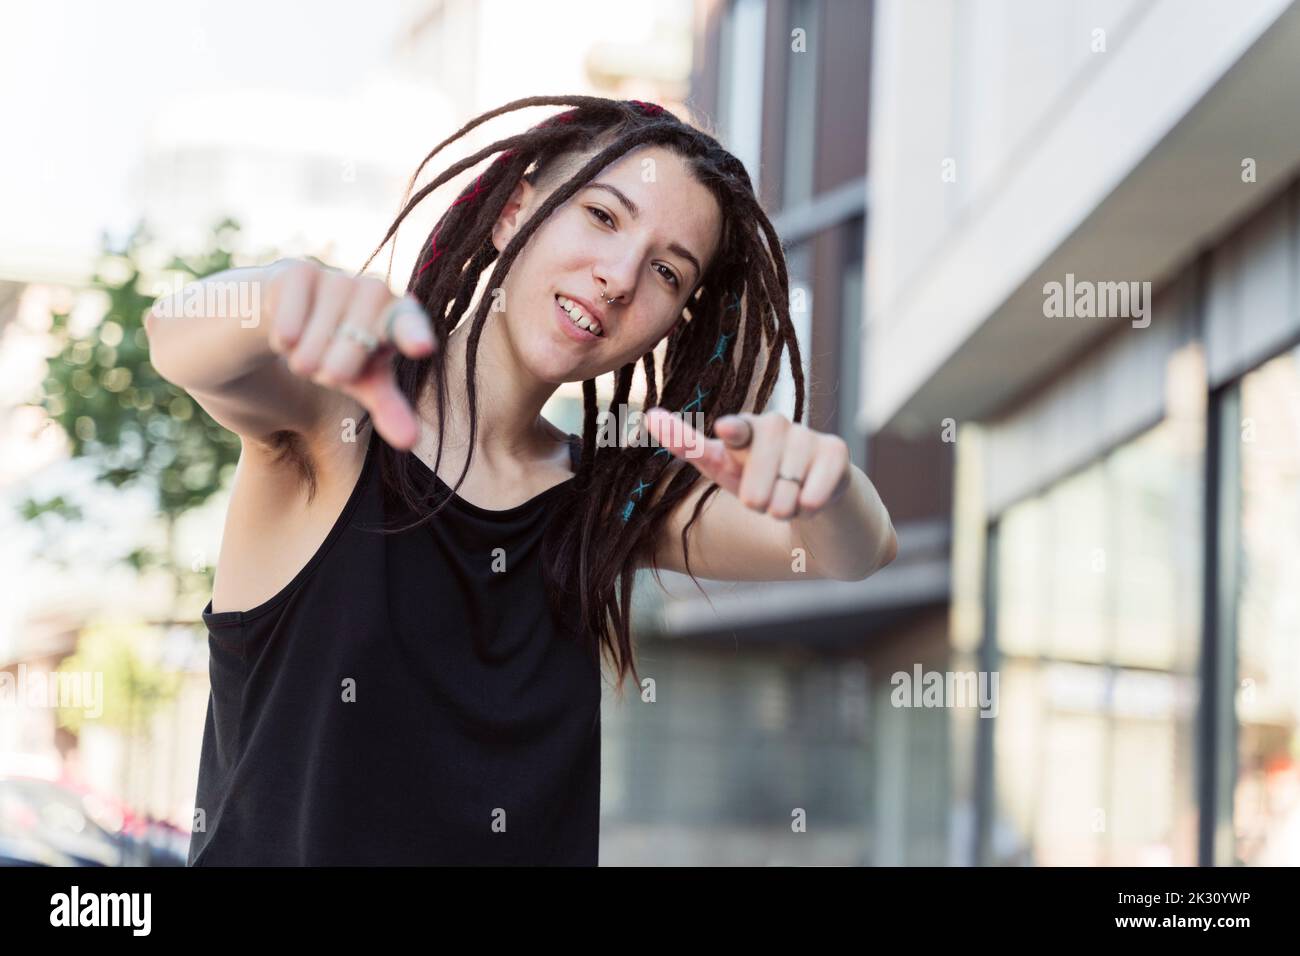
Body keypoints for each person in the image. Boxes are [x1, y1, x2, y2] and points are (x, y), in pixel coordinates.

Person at [145, 95, 898, 865]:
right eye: (603, 217)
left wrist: (830, 489)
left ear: (675, 318)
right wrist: (276, 294)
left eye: (668, 271)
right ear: (513, 212)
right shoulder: (339, 424)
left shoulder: (608, 505)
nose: (618, 276)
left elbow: (855, 551)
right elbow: (177, 344)